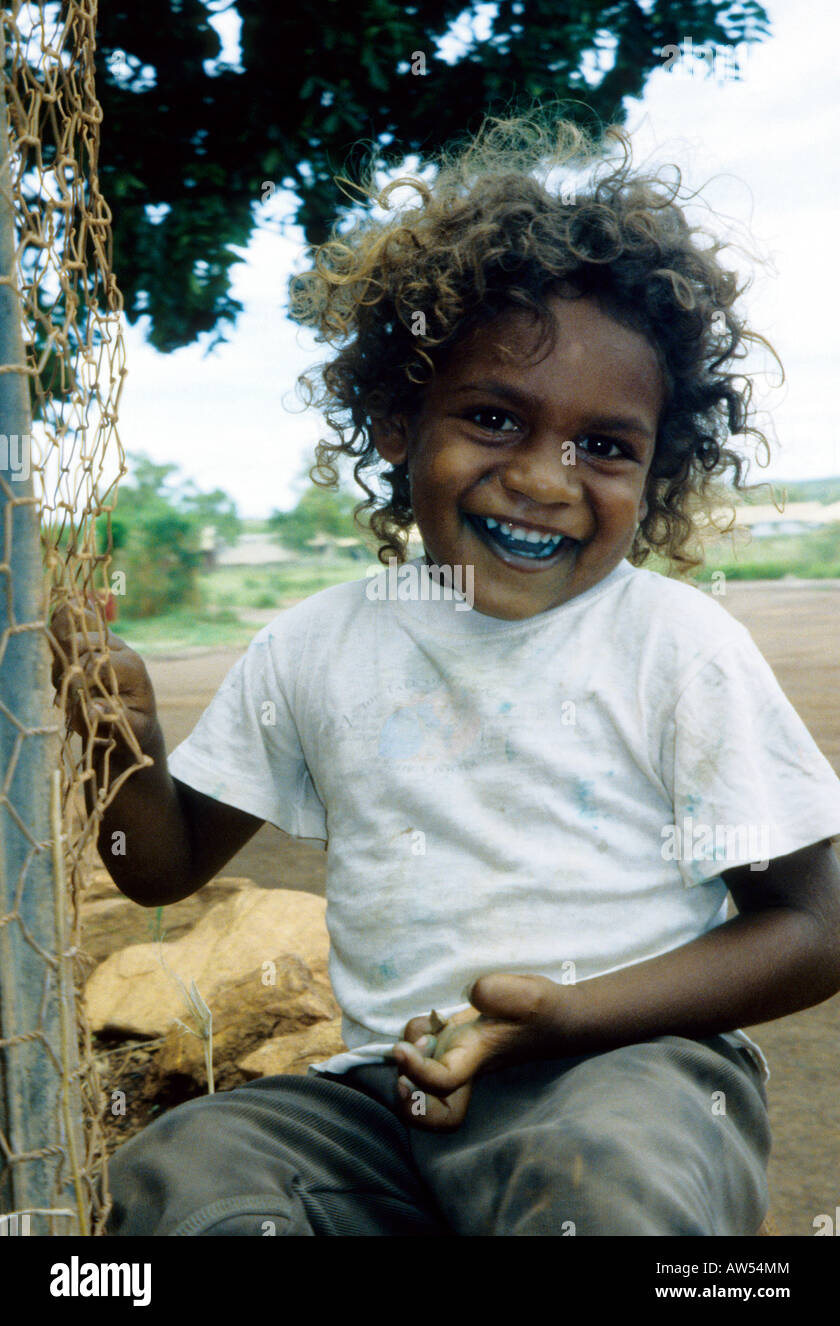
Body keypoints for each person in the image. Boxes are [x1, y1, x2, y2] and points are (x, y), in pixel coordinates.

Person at [51, 115, 840, 1236]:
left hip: (631, 1069)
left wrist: (566, 1015)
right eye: (491, 418)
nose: (541, 480)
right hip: (388, 1093)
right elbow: (160, 869)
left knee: (601, 1187)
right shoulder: (316, 646)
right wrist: (116, 737)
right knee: (189, 1168)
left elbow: (813, 928)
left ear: (658, 468)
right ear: (394, 422)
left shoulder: (679, 645)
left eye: (604, 447)